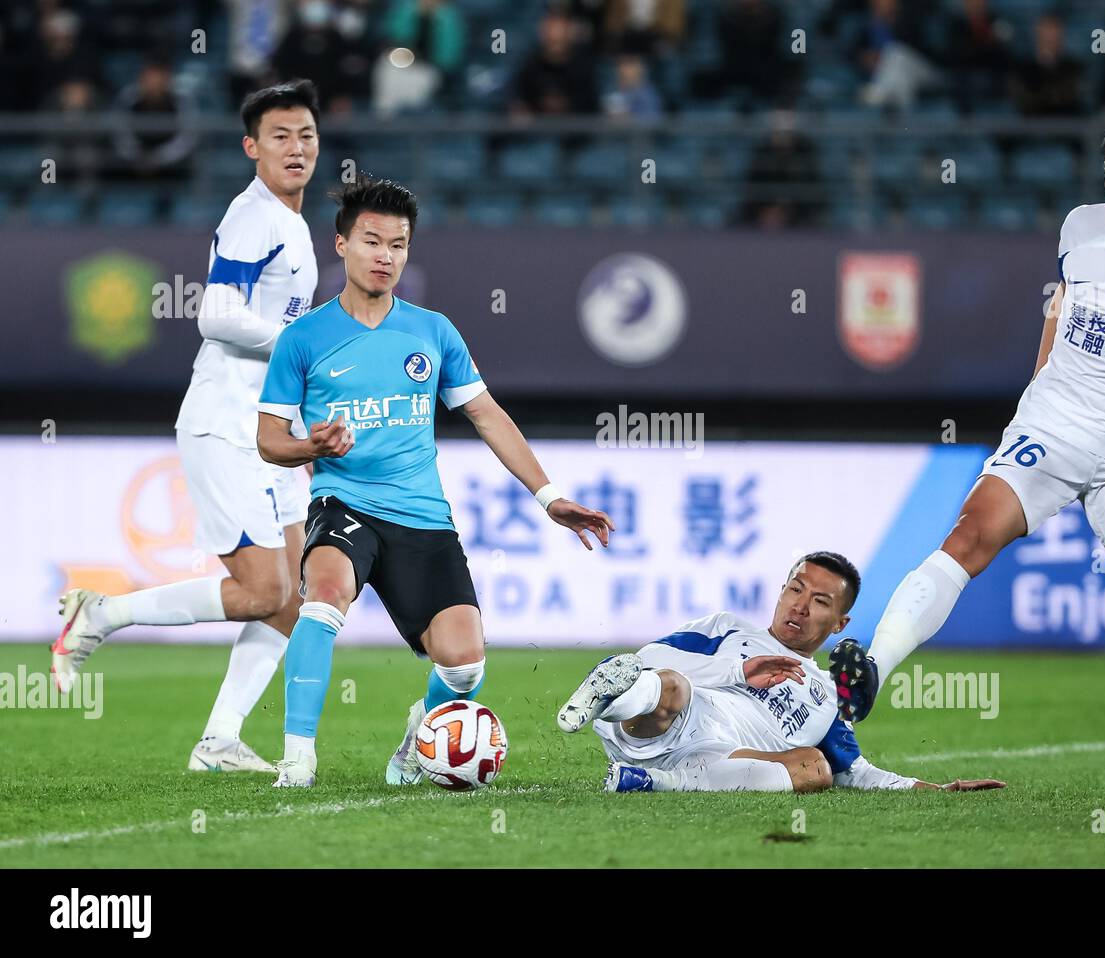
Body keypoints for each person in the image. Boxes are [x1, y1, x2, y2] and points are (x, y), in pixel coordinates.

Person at [836, 116, 1105, 802]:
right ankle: (869, 673)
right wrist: (1039, 387)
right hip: (1055, 423)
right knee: (970, 534)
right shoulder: (1081, 226)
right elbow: (1061, 303)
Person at [256, 175, 615, 788]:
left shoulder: (433, 331)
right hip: (343, 501)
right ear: (340, 245)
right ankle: (298, 758)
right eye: (372, 241)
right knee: (324, 591)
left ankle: (417, 738)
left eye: (398, 244)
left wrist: (549, 498)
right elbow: (268, 441)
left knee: (465, 664)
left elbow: (486, 414)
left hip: (422, 514)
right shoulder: (302, 339)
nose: (385, 256)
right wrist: (309, 445)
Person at [53, 80, 324, 774]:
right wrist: (302, 347)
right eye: (280, 137)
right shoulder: (253, 215)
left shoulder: (293, 224)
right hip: (224, 423)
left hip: (270, 431)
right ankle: (101, 614)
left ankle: (220, 741)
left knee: (294, 599)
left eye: (307, 136)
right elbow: (215, 315)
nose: (296, 149)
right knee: (264, 591)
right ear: (251, 148)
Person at [559, 552, 1004, 795]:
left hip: (721, 761)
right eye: (795, 588)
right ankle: (601, 699)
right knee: (668, 683)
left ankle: (654, 784)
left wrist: (936, 789)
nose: (800, 605)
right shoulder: (729, 629)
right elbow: (647, 656)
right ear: (782, 590)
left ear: (840, 624)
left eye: (821, 601)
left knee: (817, 769)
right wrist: (740, 669)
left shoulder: (830, 696)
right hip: (661, 722)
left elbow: (858, 772)